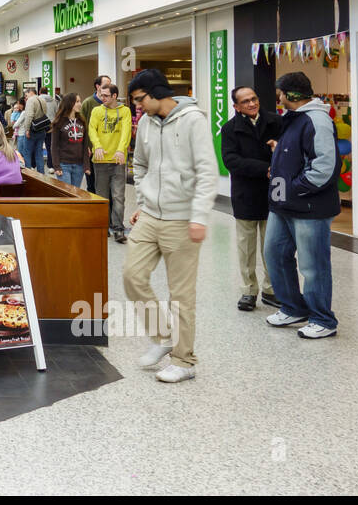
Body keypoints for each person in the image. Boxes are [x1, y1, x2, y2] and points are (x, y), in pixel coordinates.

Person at [122, 68, 218, 383]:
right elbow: (140, 163)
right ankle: (163, 336)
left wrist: (199, 216)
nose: (137, 106)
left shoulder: (193, 120)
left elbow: (207, 171)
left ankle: (184, 360)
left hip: (182, 218)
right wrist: (143, 202)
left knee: (181, 295)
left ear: (157, 93)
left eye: (140, 99)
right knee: (132, 276)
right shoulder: (146, 123)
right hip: (151, 215)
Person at [263, 72, 341, 339]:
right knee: (274, 254)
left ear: (290, 94)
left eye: (280, 93)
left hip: (309, 207)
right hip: (282, 205)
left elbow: (324, 166)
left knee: (313, 265)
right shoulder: (293, 118)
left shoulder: (316, 119)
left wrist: (294, 188)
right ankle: (293, 307)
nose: (278, 97)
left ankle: (323, 319)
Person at [221, 86, 283, 311]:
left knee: (272, 246)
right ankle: (248, 291)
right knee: (246, 247)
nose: (251, 103)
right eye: (245, 101)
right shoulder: (230, 129)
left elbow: (288, 150)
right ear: (236, 106)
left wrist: (278, 154)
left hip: (274, 192)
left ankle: (271, 289)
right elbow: (230, 160)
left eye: (254, 99)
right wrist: (265, 168)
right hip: (245, 193)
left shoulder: (276, 122)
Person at [88, 82, 132, 243]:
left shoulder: (125, 111)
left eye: (106, 95)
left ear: (114, 96)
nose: (102, 98)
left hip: (118, 161)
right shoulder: (96, 111)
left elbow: (126, 132)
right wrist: (97, 146)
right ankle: (103, 227)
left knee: (118, 196)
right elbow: (92, 130)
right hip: (100, 161)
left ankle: (118, 229)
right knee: (102, 196)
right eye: (101, 95)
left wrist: (121, 150)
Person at [80, 75, 112, 192]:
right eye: (106, 85)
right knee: (92, 183)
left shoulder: (112, 104)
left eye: (110, 84)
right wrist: (85, 146)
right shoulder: (88, 103)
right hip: (91, 150)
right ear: (98, 86)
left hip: (108, 150)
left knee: (107, 185)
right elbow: (81, 126)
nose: (109, 87)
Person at [50, 93, 87, 187]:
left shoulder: (82, 121)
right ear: (69, 103)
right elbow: (54, 146)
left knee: (75, 193)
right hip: (64, 165)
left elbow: (85, 144)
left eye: (80, 101)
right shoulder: (59, 122)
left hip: (79, 165)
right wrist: (56, 166)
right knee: (66, 193)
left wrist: (86, 165)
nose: (80, 104)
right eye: (77, 102)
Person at [20, 89, 55, 174]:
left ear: (30, 93)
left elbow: (29, 116)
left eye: (26, 95)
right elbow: (45, 113)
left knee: (27, 152)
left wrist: (27, 129)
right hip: (41, 129)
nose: (26, 97)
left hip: (32, 130)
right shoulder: (42, 100)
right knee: (39, 153)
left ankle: (28, 174)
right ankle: (41, 174)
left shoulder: (30, 101)